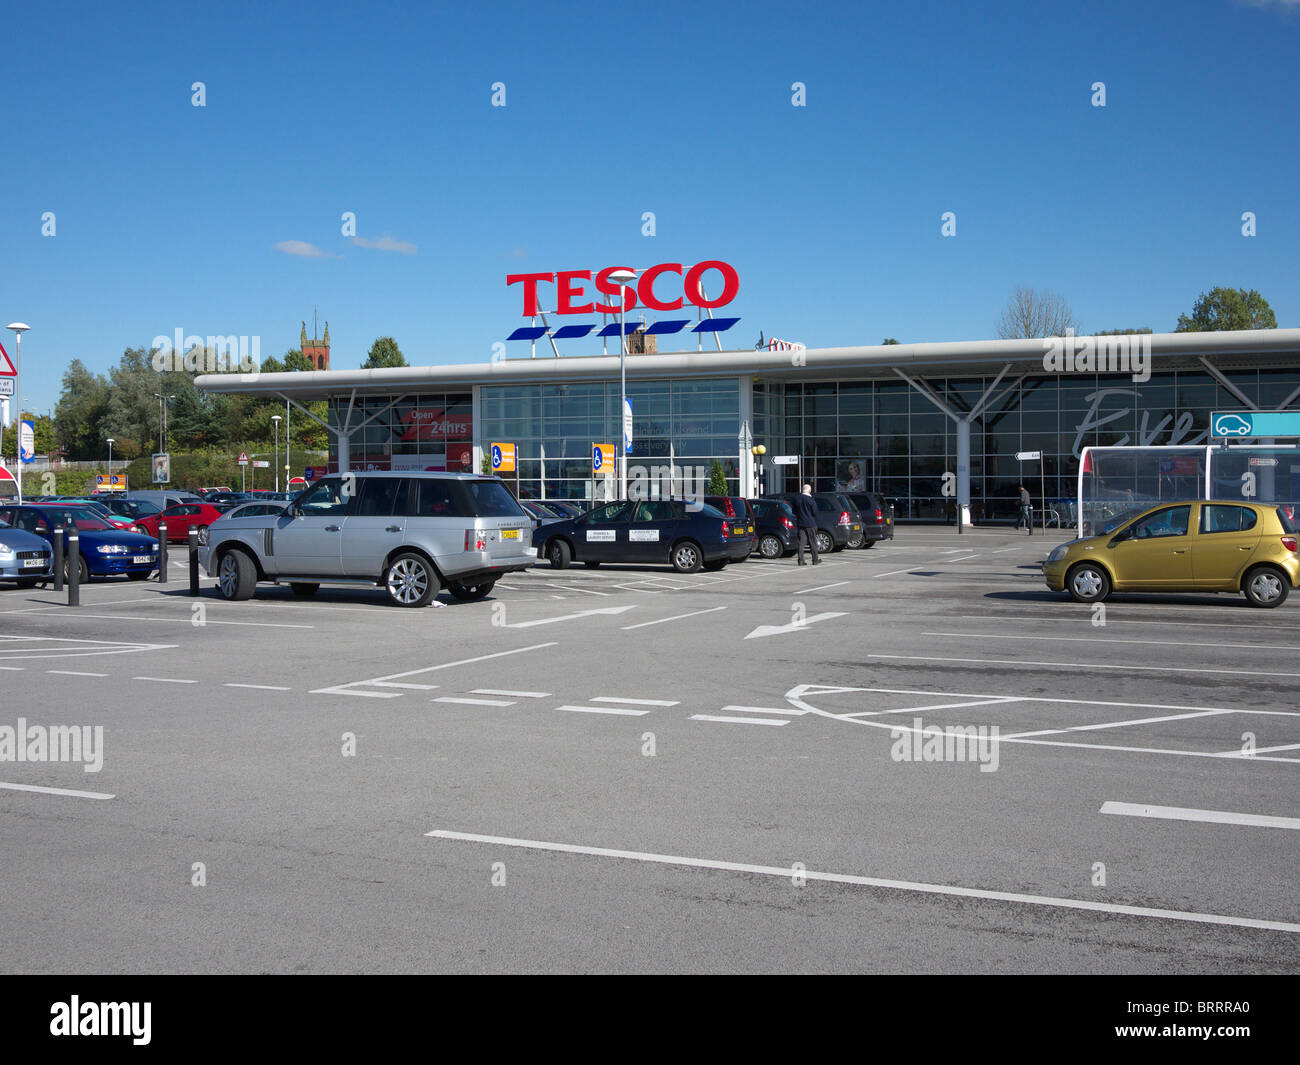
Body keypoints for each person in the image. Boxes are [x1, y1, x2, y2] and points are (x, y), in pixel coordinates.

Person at [794, 484, 820, 565]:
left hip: (800, 523)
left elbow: (794, 511)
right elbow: (815, 512)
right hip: (810, 523)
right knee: (813, 542)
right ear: (809, 490)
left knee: (801, 542)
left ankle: (801, 560)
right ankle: (815, 560)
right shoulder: (810, 499)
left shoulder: (796, 499)